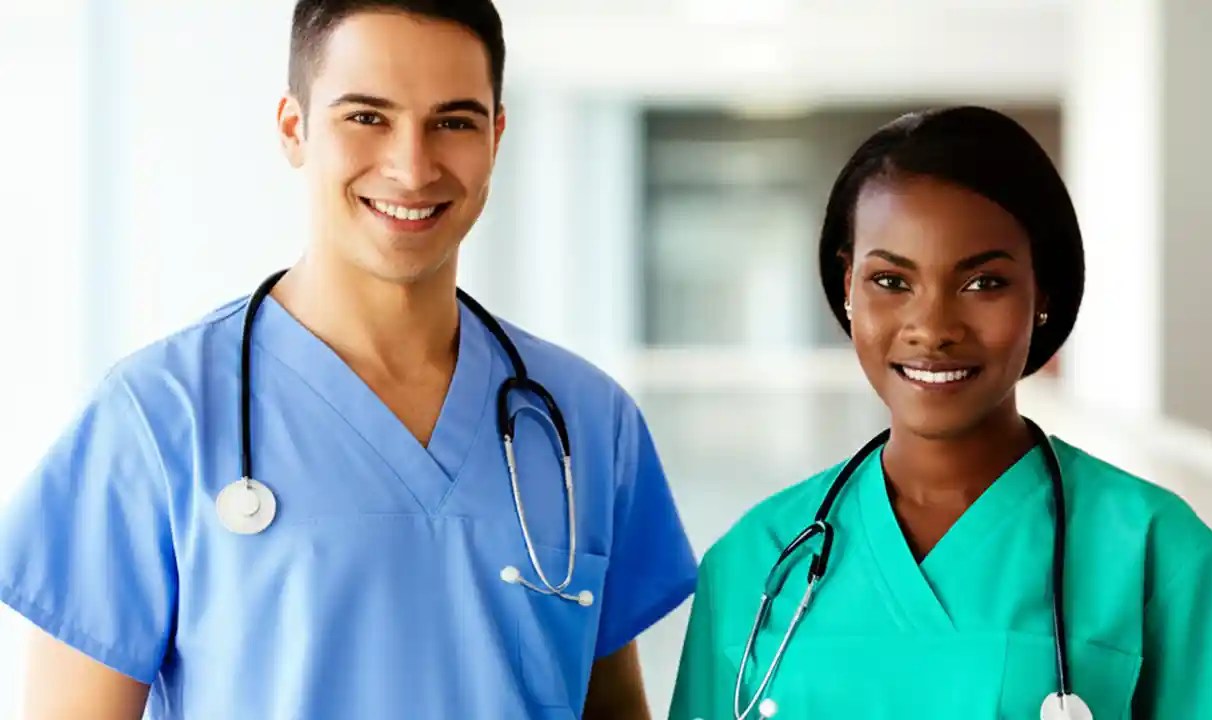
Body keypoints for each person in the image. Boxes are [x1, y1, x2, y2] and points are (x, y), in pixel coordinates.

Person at [0, 2, 697, 718]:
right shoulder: (157, 417)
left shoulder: (586, 420)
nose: (412, 166)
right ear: (293, 128)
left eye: (453, 122)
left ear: (496, 135)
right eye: (367, 117)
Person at [668, 106, 1212, 719]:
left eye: (983, 283)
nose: (932, 329)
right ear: (847, 283)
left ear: (1043, 294)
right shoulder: (757, 558)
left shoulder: (1152, 549)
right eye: (891, 281)